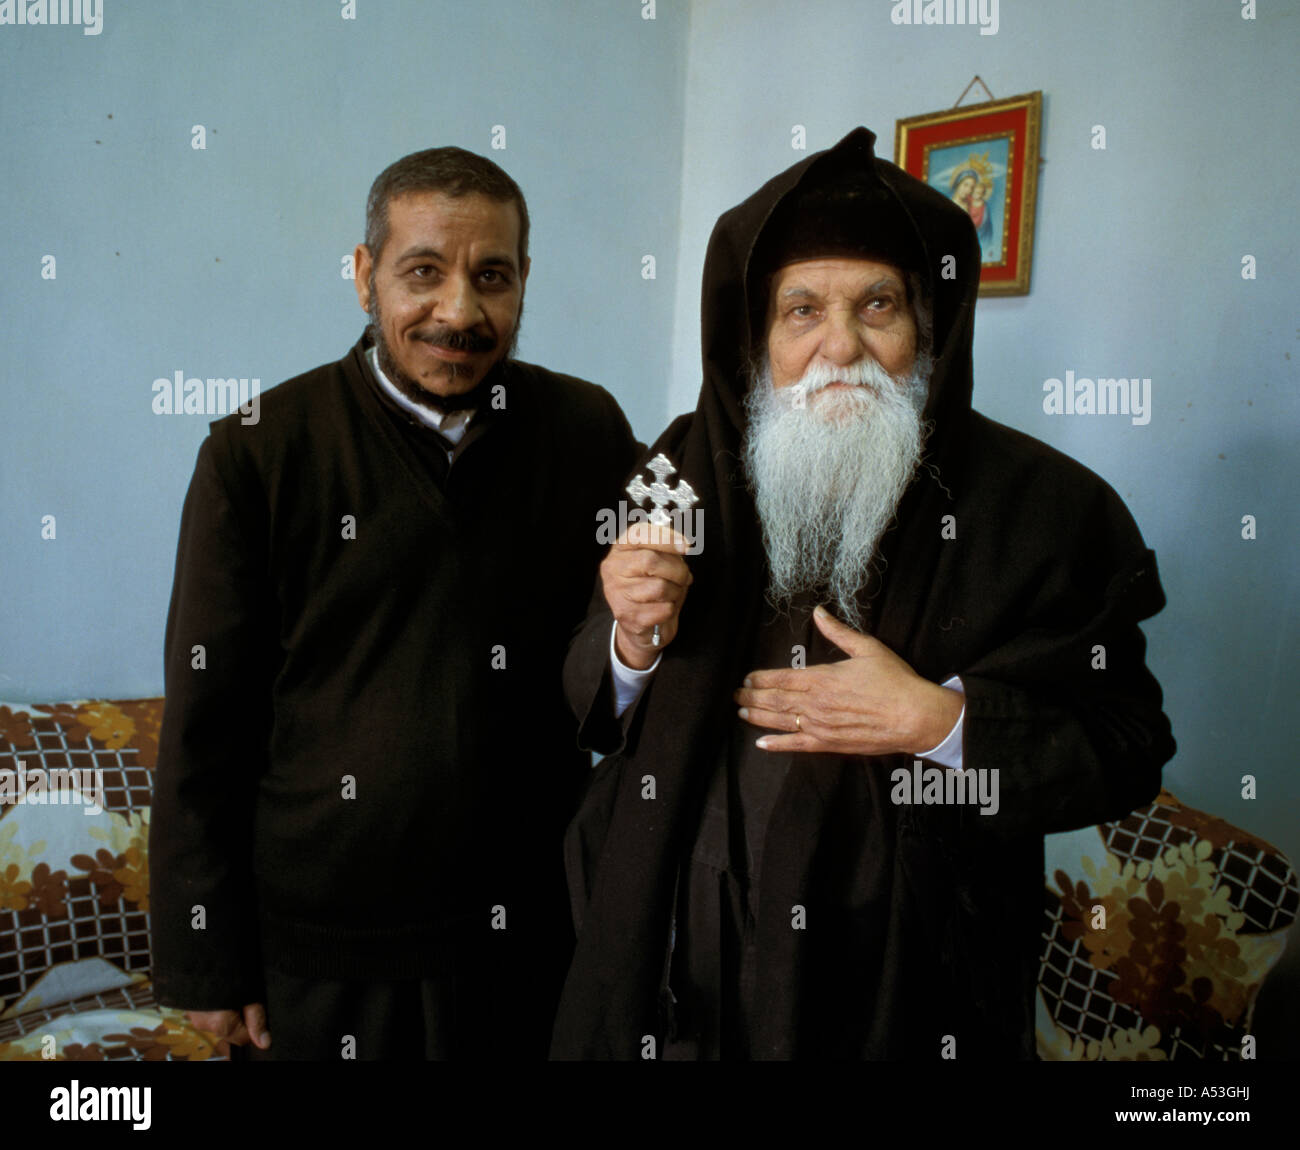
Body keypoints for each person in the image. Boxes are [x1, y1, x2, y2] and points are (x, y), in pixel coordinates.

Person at [551, 127, 1175, 1060]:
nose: (839, 347)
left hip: (906, 983)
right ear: (755, 339)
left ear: (928, 326)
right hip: (680, 954)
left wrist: (937, 722)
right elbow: (595, 699)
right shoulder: (680, 463)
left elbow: (1127, 748)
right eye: (801, 310)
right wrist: (631, 640)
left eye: (877, 305)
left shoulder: (1050, 507)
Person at [149, 147, 639, 1060]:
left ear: (524, 280)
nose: (459, 311)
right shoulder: (257, 453)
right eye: (423, 271)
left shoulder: (587, 430)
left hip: (532, 935)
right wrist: (207, 957)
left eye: (491, 276)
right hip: (325, 953)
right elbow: (205, 729)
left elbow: (656, 590)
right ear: (365, 274)